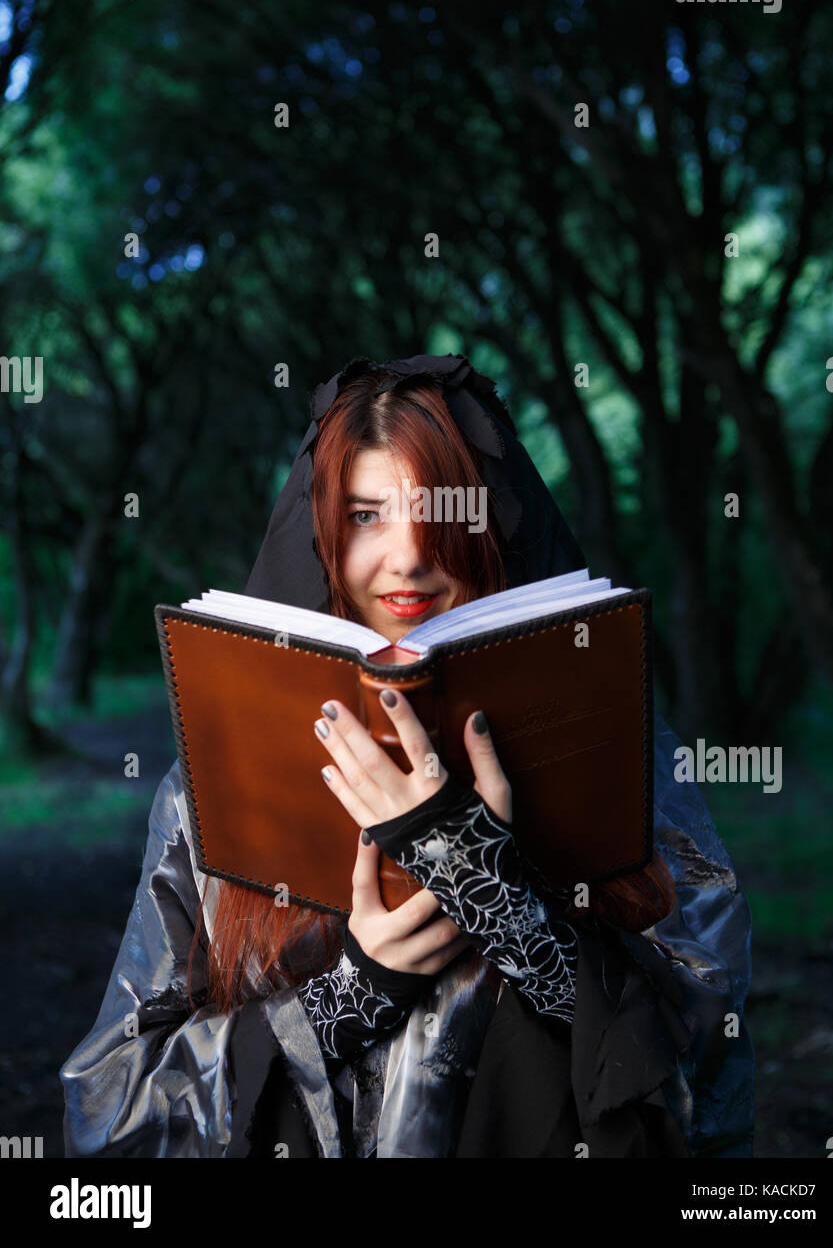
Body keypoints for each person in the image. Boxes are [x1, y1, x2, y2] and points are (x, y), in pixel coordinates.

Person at [60, 352, 754, 1158]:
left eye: (444, 514)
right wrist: (349, 996)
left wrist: (510, 915)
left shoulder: (622, 754)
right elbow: (111, 1117)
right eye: (364, 515)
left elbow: (709, 1080)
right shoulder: (211, 783)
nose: (408, 559)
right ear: (321, 534)